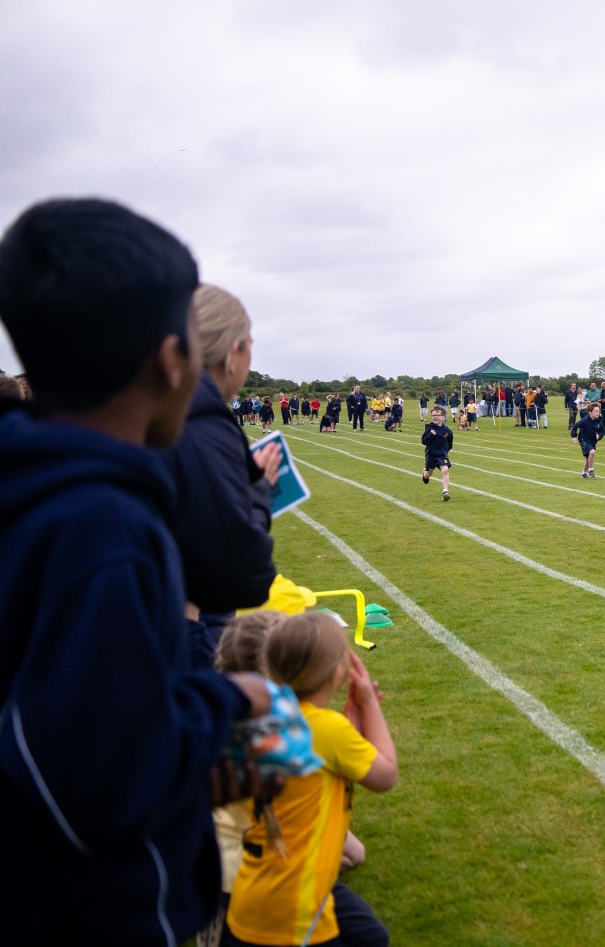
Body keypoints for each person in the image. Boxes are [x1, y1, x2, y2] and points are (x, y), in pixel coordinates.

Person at [0, 197, 276, 943]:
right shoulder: (105, 527)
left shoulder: (43, 494)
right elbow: (93, 783)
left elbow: (63, 706)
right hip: (90, 911)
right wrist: (230, 703)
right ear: (172, 359)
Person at [225, 612, 397, 947]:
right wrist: (369, 704)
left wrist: (350, 726)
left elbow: (326, 767)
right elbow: (385, 775)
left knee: (371, 937)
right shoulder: (327, 729)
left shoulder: (272, 720)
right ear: (338, 673)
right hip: (294, 908)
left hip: (255, 893)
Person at [162, 284, 279, 665]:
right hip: (178, 637)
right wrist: (260, 491)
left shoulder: (141, 408)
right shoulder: (201, 426)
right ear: (234, 352)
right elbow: (242, 573)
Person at [421, 404, 454, 501]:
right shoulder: (429, 428)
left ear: (443, 417)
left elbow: (449, 444)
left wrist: (445, 452)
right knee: (429, 474)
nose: (435, 417)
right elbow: (424, 441)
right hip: (431, 455)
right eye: (433, 415)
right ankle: (424, 473)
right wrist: (430, 435)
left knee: (445, 470)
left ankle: (445, 491)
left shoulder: (447, 431)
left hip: (442, 455)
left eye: (437, 415)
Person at [572, 401, 605, 478]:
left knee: (589, 458)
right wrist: (574, 436)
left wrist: (599, 436)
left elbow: (602, 431)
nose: (598, 413)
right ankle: (591, 470)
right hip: (583, 439)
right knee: (592, 452)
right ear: (590, 412)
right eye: (596, 411)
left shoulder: (599, 421)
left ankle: (584, 473)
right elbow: (575, 427)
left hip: (592, 441)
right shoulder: (584, 420)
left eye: (599, 411)